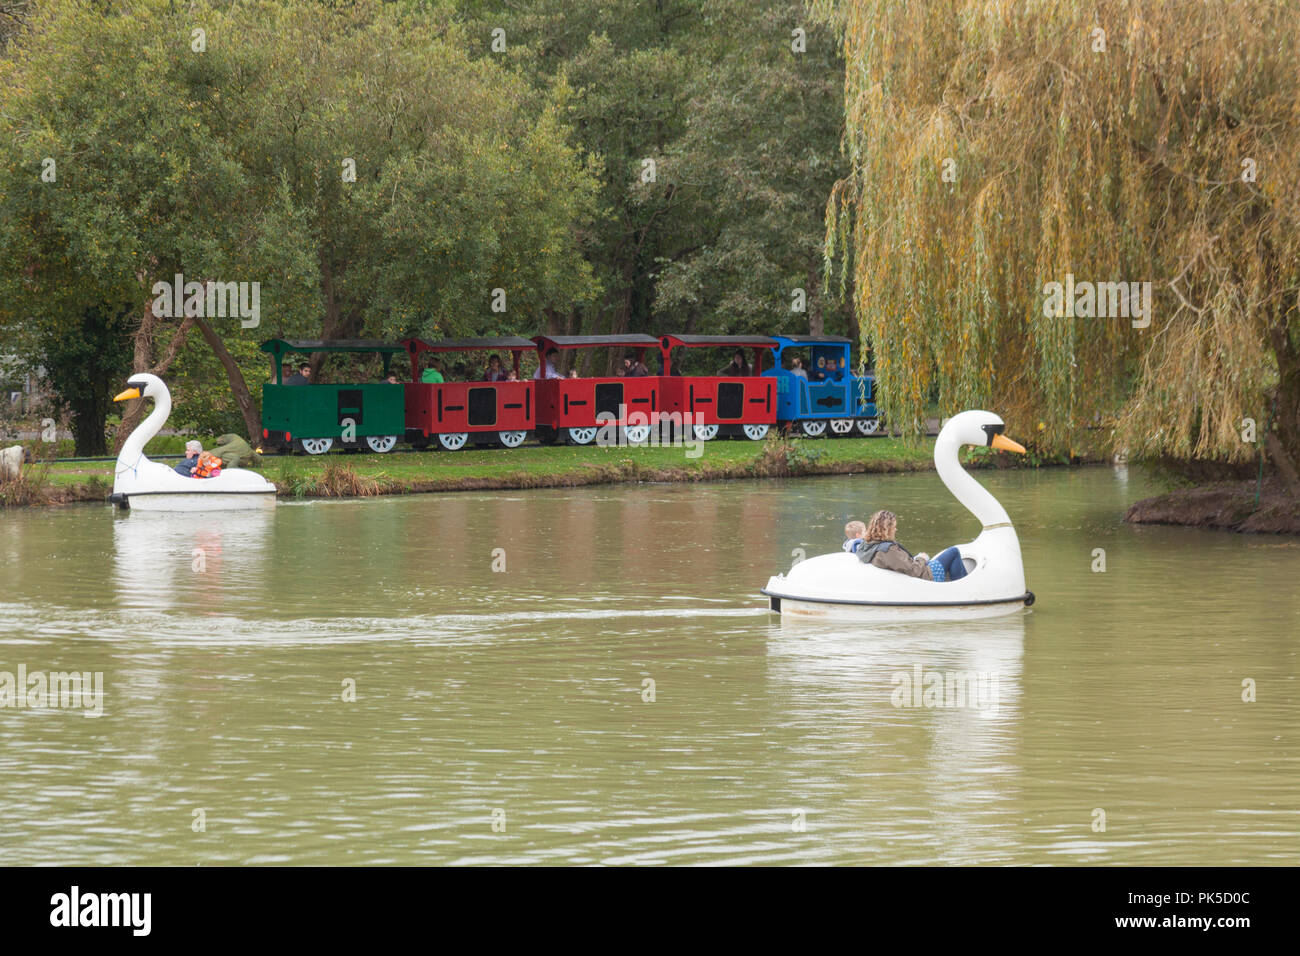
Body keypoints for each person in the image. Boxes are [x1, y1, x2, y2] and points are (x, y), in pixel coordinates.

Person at [857, 509, 967, 581]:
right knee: (954, 551)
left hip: (914, 569)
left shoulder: (868, 545)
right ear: (886, 529)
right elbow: (916, 571)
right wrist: (921, 558)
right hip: (927, 576)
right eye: (894, 527)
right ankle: (964, 588)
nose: (896, 529)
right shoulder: (888, 551)